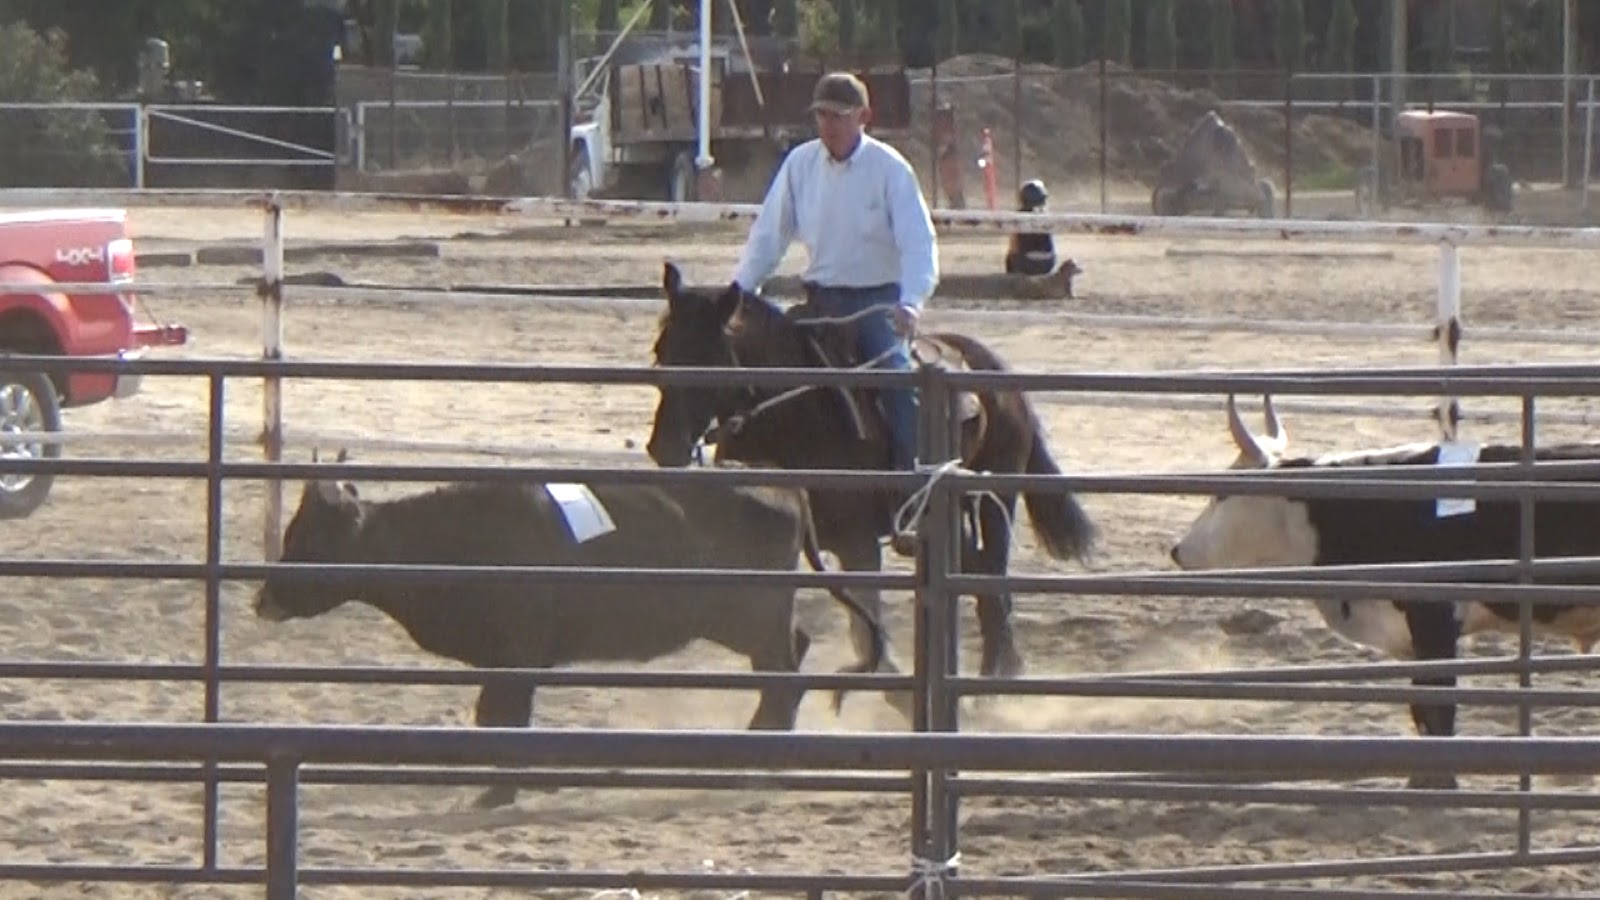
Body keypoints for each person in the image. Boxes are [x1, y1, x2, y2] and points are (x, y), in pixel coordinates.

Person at [729, 71, 939, 550]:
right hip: (819, 301)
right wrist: (739, 292)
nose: (828, 125)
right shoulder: (800, 164)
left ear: (864, 118)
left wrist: (911, 301)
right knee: (762, 376)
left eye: (838, 116)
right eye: (821, 115)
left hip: (876, 304)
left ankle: (913, 499)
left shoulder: (890, 169)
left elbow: (917, 242)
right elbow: (770, 234)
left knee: (897, 384)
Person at [1004, 179, 1058, 276]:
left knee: (1011, 255)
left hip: (1025, 263)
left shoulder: (1018, 216)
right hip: (1047, 263)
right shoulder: (1047, 215)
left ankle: (1012, 281)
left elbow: (1014, 245)